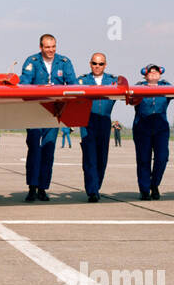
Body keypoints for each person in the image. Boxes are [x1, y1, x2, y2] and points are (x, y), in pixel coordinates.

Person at [20, 34, 76, 201]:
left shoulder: (64, 62)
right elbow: (23, 83)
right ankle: (32, 187)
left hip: (54, 114)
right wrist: (40, 88)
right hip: (34, 112)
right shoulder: (32, 62)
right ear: (41, 47)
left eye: (53, 47)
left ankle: (43, 188)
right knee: (34, 149)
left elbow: (73, 83)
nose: (51, 50)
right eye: (47, 47)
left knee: (48, 150)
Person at [78, 52, 118, 202]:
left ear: (105, 65)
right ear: (90, 64)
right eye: (94, 63)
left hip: (104, 122)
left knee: (102, 158)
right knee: (90, 158)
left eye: (100, 64)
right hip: (87, 123)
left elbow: (129, 95)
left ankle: (96, 186)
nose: (97, 66)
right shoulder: (81, 81)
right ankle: (92, 191)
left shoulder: (113, 81)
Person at [132, 64, 174, 199]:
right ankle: (144, 190)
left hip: (160, 127)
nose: (154, 74)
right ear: (145, 74)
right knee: (143, 159)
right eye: (151, 72)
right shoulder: (138, 86)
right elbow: (130, 99)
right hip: (142, 126)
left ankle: (154, 184)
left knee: (162, 157)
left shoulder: (166, 86)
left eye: (156, 72)